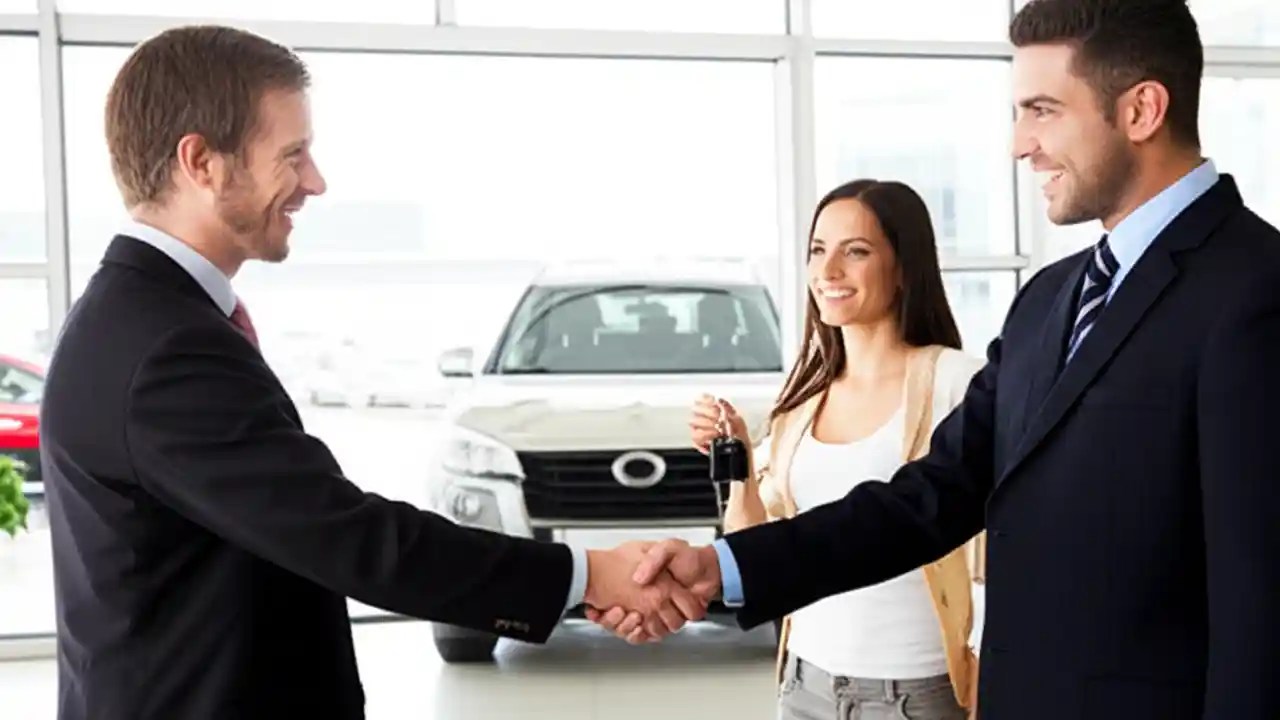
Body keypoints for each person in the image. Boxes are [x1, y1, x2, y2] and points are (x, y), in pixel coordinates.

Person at [595, 1, 1280, 718]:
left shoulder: (1256, 294)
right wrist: (721, 567)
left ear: (1141, 109)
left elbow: (1261, 603)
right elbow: (931, 495)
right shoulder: (1049, 298)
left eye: (1042, 110)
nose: (1021, 144)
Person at [39, 26, 707, 720]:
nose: (315, 182)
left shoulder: (139, 317)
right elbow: (344, 535)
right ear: (201, 161)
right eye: (292, 154)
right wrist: (589, 574)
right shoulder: (165, 348)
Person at [692, 180, 985, 719]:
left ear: (903, 267)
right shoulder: (802, 402)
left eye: (856, 252)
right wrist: (741, 470)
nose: (828, 273)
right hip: (805, 681)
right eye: (818, 251)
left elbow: (998, 550)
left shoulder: (958, 383)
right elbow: (761, 548)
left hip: (913, 692)